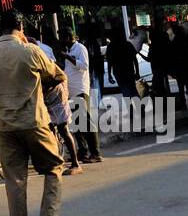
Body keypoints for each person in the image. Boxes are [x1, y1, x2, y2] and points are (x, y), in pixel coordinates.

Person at [0, 10, 66, 216]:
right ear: (21, 28)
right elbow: (58, 76)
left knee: (15, 181)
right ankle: (48, 215)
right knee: (54, 167)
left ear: (0, 29)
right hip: (34, 121)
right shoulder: (31, 51)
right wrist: (42, 90)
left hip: (5, 126)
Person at [37, 40, 82, 175]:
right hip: (44, 97)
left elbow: (61, 77)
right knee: (47, 128)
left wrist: (46, 87)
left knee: (63, 128)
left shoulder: (48, 64)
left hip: (57, 94)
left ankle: (75, 163)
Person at [59, 27, 101, 164]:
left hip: (81, 90)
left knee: (87, 122)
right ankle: (82, 152)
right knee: (77, 124)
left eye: (63, 37)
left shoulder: (80, 48)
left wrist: (68, 58)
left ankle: (95, 153)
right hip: (71, 91)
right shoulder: (69, 51)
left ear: (68, 37)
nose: (61, 41)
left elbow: (84, 65)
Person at [105, 26, 139, 98]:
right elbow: (135, 59)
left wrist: (109, 75)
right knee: (133, 89)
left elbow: (109, 62)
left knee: (125, 91)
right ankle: (140, 108)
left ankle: (131, 108)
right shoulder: (127, 44)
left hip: (119, 73)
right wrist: (137, 72)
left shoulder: (111, 46)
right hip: (129, 71)